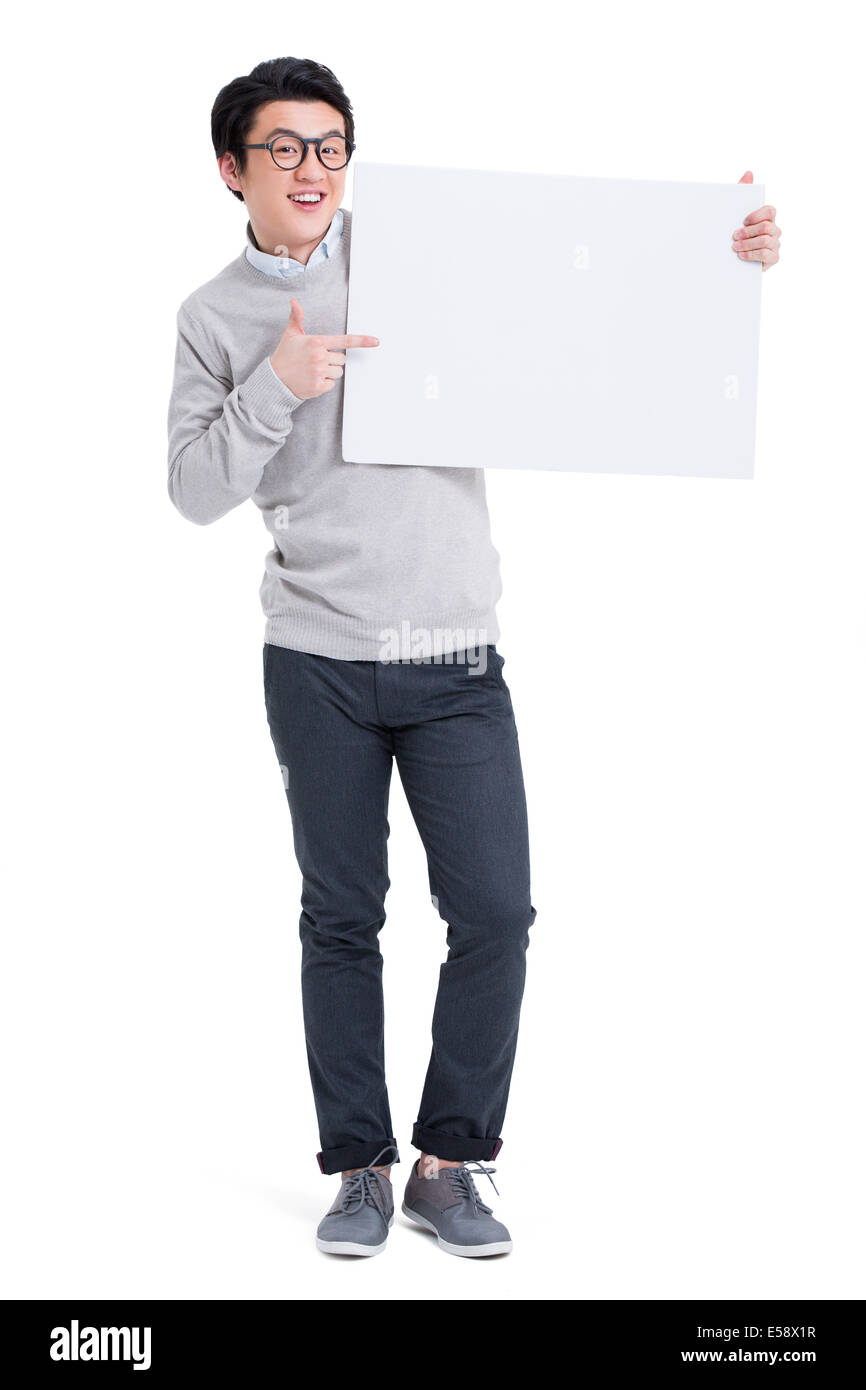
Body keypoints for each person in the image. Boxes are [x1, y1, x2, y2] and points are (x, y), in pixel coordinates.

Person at [167, 56, 781, 1260]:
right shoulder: (209, 316)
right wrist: (276, 387)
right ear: (231, 167)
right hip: (318, 659)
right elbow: (191, 489)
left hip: (455, 657)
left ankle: (450, 1162)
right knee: (341, 916)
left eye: (330, 145)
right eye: (283, 147)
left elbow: (582, 304)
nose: (310, 169)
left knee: (495, 909)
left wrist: (722, 258)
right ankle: (357, 1163)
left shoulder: (420, 255)